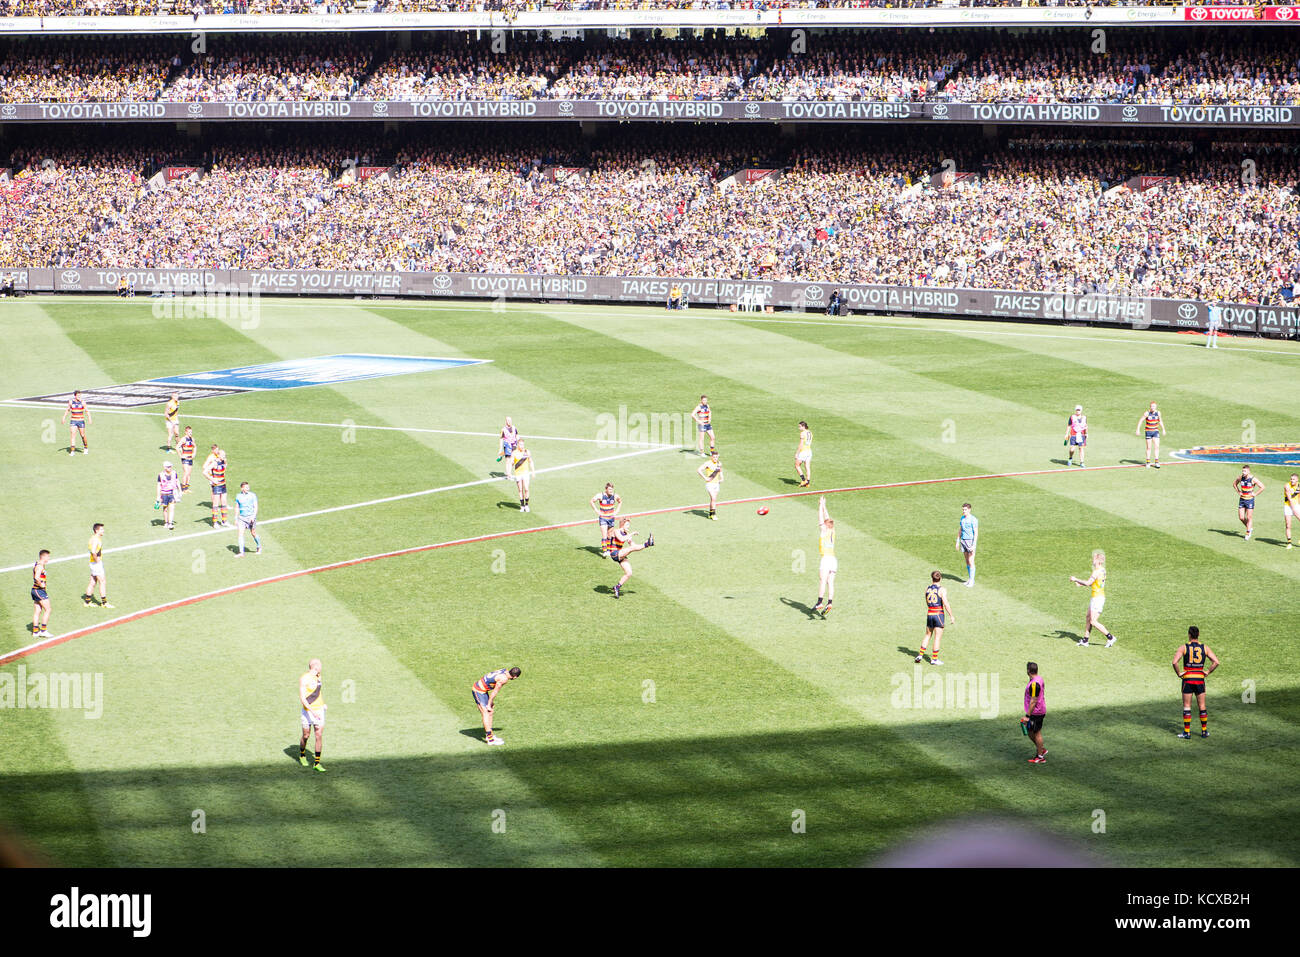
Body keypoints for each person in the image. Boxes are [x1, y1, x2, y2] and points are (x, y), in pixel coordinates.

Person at [1172, 625, 1219, 739]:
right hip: (1199, 679)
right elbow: (1216, 662)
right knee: (1202, 705)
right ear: (1198, 635)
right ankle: (1204, 731)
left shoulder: (1184, 647)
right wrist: (1207, 672)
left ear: (1189, 635)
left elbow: (1174, 662)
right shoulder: (1205, 648)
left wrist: (1179, 673)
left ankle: (1187, 732)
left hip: (1188, 679)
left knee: (1187, 706)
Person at [1070, 549, 1115, 647]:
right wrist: (1081, 585)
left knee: (1093, 621)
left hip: (1097, 598)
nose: (1092, 560)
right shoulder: (1103, 570)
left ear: (1098, 561)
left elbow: (1088, 583)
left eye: (1094, 559)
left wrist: (1075, 579)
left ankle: (1110, 637)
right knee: (1088, 617)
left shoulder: (1096, 572)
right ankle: (1085, 640)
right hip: (1096, 596)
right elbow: (1096, 584)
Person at [472, 666, 521, 746]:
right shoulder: (504, 679)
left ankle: (490, 735)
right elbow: (494, 692)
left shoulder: (504, 670)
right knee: (485, 713)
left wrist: (490, 704)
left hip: (483, 690)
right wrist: (488, 704)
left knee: (490, 711)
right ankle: (490, 740)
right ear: (515, 677)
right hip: (478, 690)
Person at [916, 570, 954, 666]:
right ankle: (934, 659)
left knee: (927, 635)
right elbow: (945, 603)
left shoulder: (927, 589)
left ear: (932, 578)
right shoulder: (942, 589)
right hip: (938, 614)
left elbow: (927, 602)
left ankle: (920, 655)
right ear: (940, 578)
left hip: (930, 614)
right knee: (937, 637)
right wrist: (951, 615)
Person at [610, 517, 654, 599]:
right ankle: (648, 543)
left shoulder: (626, 534)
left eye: (629, 525)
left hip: (621, 554)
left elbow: (633, 546)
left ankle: (617, 587)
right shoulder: (616, 531)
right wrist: (632, 533)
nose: (628, 527)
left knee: (629, 573)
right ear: (622, 525)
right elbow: (621, 538)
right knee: (630, 549)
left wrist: (643, 545)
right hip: (614, 553)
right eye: (627, 525)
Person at [298, 658, 327, 771]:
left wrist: (322, 704)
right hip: (307, 712)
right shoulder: (304, 678)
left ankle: (317, 763)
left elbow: (318, 693)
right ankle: (302, 754)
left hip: (319, 710)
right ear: (315, 666)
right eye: (320, 665)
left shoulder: (319, 676)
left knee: (318, 734)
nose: (321, 667)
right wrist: (313, 712)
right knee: (306, 735)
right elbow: (303, 699)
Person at [813, 496, 836, 617]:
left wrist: (819, 506)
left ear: (826, 525)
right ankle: (830, 602)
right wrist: (824, 505)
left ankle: (819, 602)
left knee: (822, 580)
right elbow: (827, 518)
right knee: (830, 582)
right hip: (833, 559)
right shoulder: (832, 530)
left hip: (826, 559)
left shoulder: (824, 530)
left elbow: (821, 518)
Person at [1020, 662, 1047, 764]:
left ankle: (1040, 757)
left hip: (1036, 712)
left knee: (1037, 733)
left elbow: (1033, 701)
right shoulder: (1038, 679)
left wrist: (1027, 716)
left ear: (1028, 671)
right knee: (1030, 731)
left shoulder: (1034, 684)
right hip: (1038, 710)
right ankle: (1041, 749)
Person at [81, 523, 113, 609]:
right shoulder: (96, 539)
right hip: (96, 564)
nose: (103, 531)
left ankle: (87, 602)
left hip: (92, 563)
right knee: (102, 582)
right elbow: (93, 551)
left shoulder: (93, 538)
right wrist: (97, 560)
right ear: (97, 530)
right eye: (102, 529)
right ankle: (104, 602)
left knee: (92, 582)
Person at [590, 483, 622, 555]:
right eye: (610, 489)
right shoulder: (600, 495)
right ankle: (605, 551)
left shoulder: (615, 496)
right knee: (604, 535)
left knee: (610, 535)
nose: (611, 491)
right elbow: (591, 501)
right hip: (603, 518)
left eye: (612, 489)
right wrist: (596, 510)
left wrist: (617, 511)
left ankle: (610, 550)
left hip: (611, 518)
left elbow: (620, 502)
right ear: (606, 489)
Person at [203, 445, 230, 527]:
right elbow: (204, 472)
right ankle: (215, 523)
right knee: (215, 503)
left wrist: (225, 461)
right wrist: (212, 479)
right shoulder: (214, 463)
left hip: (223, 484)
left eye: (225, 455)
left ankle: (224, 521)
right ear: (219, 455)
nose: (224, 457)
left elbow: (224, 469)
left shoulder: (223, 462)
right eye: (223, 455)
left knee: (224, 503)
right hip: (217, 485)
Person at [1234, 466, 1263, 541]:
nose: (1243, 473)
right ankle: (1249, 528)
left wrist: (1255, 494)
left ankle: (1248, 533)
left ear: (1249, 472)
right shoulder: (1240, 477)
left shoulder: (1253, 479)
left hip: (1250, 500)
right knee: (1241, 517)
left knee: (1249, 517)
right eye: (1243, 471)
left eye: (1245, 471)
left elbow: (1262, 487)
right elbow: (1234, 484)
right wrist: (1239, 492)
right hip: (1242, 499)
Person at [1135, 401, 1166, 468]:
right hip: (1148, 431)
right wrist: (1138, 429)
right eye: (1152, 406)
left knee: (1157, 446)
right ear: (1150, 407)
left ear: (1156, 407)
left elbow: (1160, 421)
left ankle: (1156, 462)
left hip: (1155, 431)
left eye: (1154, 406)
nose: (1153, 408)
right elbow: (1141, 420)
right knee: (1149, 447)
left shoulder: (1158, 413)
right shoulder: (1147, 413)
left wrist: (1163, 429)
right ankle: (1148, 462)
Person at [234, 481, 261, 556]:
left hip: (251, 518)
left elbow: (255, 506)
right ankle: (241, 552)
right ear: (242, 488)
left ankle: (259, 546)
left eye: (248, 487)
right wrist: (235, 518)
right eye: (246, 487)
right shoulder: (238, 496)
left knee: (253, 533)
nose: (248, 488)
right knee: (240, 534)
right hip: (242, 518)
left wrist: (253, 516)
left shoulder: (252, 495)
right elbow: (237, 507)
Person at [62, 390, 91, 456]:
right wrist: (64, 417)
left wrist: (89, 418)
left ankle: (86, 447)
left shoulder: (83, 402)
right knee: (73, 435)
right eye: (78, 395)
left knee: (82, 435)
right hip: (73, 421)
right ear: (75, 396)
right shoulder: (71, 402)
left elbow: (87, 411)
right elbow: (67, 410)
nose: (79, 397)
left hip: (81, 421)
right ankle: (72, 451)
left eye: (80, 395)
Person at [956, 503, 978, 587]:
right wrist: (958, 540)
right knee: (967, 561)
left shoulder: (973, 519)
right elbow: (960, 530)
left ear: (969, 510)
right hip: (963, 541)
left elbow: (976, 533)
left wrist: (973, 545)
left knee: (971, 561)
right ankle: (969, 578)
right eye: (963, 509)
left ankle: (972, 581)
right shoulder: (962, 518)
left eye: (965, 509)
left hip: (970, 541)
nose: (963, 511)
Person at [31, 550, 52, 638]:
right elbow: (36, 577)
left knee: (38, 611)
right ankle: (43, 631)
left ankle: (35, 632)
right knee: (48, 609)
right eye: (48, 556)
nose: (49, 558)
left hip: (35, 590)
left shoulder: (37, 564)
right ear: (43, 557)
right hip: (39, 590)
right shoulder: (40, 566)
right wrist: (41, 584)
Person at [156, 461, 182, 530]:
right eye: (168, 467)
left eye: (170, 466)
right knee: (165, 509)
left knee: (172, 508)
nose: (169, 468)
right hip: (164, 494)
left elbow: (177, 481)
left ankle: (170, 523)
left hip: (172, 493)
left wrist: (180, 490)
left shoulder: (174, 473)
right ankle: (166, 522)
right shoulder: (160, 475)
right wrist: (158, 496)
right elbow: (159, 485)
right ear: (164, 467)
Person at [698, 451, 723, 520]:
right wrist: (705, 478)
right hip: (710, 484)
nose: (715, 458)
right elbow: (699, 470)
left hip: (717, 484)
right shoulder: (708, 463)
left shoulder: (719, 463)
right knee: (713, 498)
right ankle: (713, 515)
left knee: (713, 499)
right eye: (714, 457)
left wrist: (722, 478)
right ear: (711, 457)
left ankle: (710, 513)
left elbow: (720, 471)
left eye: (716, 457)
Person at [511, 439, 533, 512]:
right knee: (520, 490)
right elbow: (511, 463)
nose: (522, 446)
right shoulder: (514, 453)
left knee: (526, 489)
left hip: (526, 473)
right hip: (518, 473)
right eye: (520, 444)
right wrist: (509, 470)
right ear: (518, 445)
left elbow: (530, 461)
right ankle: (522, 506)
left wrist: (533, 471)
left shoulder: (527, 452)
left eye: (523, 444)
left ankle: (526, 505)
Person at [1283, 472, 1299, 549]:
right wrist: (1293, 509)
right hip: (1288, 506)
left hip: (1296, 505)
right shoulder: (1287, 485)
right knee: (1288, 525)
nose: (1292, 480)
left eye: (1293, 479)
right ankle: (1289, 543)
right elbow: (1289, 499)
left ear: (1297, 480)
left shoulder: (1299, 486)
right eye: (1291, 479)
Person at [795, 421, 813, 488]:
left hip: (803, 452)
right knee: (807, 467)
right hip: (809, 451)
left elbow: (801, 444)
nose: (799, 428)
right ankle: (808, 482)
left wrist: (797, 453)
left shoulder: (802, 433)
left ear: (803, 426)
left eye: (800, 426)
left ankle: (803, 480)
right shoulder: (810, 432)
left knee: (797, 465)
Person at [178, 425, 196, 492]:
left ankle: (186, 488)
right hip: (185, 458)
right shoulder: (184, 439)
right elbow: (177, 447)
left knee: (189, 474)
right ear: (186, 432)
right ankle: (182, 488)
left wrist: (194, 453)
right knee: (185, 472)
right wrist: (181, 455)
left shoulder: (192, 439)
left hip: (190, 458)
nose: (190, 433)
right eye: (189, 432)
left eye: (191, 432)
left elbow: (195, 446)